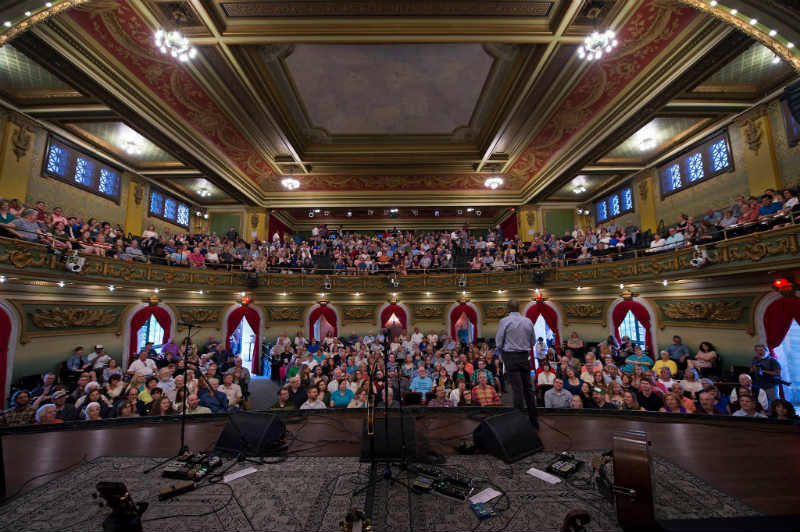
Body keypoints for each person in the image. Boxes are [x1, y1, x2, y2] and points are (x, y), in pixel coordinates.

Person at [495, 299, 537, 424]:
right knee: (528, 388)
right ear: (519, 308)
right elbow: (533, 341)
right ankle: (534, 420)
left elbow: (498, 343)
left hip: (511, 357)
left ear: (508, 308)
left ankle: (518, 422)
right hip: (525, 356)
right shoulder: (528, 321)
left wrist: (503, 353)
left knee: (517, 389)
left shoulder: (504, 321)